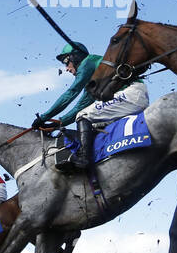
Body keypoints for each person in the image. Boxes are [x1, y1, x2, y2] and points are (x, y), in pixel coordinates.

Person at [32, 41, 148, 173]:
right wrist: (57, 124)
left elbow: (71, 93)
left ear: (75, 57)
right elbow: (80, 106)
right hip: (132, 96)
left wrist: (44, 117)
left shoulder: (87, 63)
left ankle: (84, 159)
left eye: (66, 62)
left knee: (84, 116)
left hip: (130, 94)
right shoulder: (93, 75)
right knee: (85, 116)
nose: (66, 68)